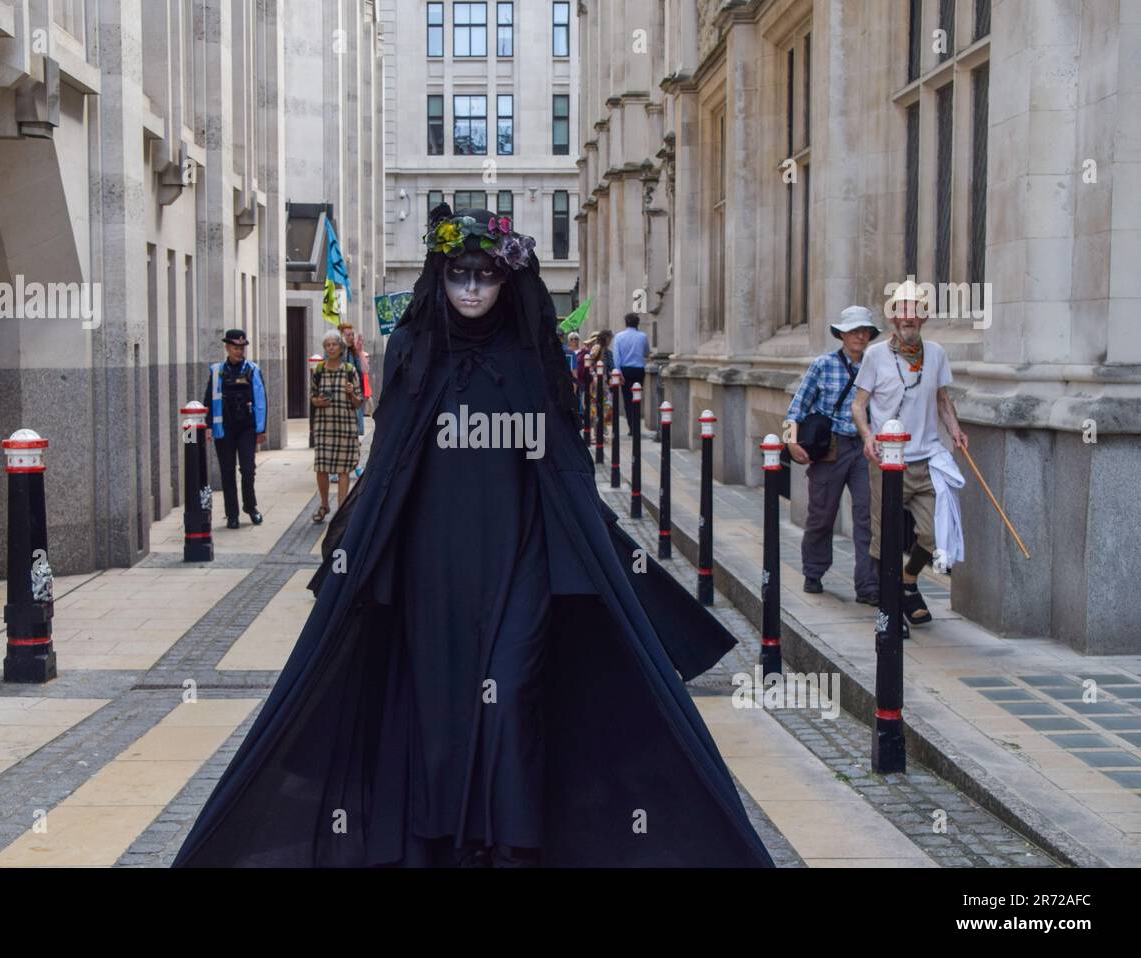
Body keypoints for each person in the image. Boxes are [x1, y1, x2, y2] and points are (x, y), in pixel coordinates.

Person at [172, 204, 774, 868]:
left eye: (485, 277)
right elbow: (394, 454)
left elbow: (563, 456)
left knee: (511, 693)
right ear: (441, 274)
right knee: (442, 701)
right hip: (434, 562)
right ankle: (444, 844)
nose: (470, 291)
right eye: (458, 276)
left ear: (506, 279)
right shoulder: (414, 349)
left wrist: (592, 546)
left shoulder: (529, 352)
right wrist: (361, 544)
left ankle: (513, 842)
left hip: (523, 553)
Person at [851, 279, 969, 628]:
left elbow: (942, 400)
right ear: (893, 318)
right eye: (902, 311)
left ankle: (908, 579)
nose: (908, 318)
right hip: (887, 460)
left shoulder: (936, 354)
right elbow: (860, 405)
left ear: (924, 316)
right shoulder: (874, 355)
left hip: (927, 457)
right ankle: (889, 607)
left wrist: (956, 430)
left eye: (915, 311)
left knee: (935, 535)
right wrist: (868, 436)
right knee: (883, 536)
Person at [784, 306, 881, 604]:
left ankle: (868, 586)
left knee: (867, 517)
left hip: (864, 448)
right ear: (842, 334)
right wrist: (790, 442)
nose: (860, 336)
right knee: (822, 514)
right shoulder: (822, 365)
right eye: (854, 331)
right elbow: (796, 407)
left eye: (864, 331)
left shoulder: (876, 365)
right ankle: (813, 571)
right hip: (831, 448)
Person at [203, 329, 266, 529]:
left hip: (246, 428)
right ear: (227, 348)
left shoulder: (253, 370)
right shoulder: (217, 372)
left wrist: (261, 429)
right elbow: (208, 400)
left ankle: (251, 506)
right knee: (227, 472)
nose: (239, 351)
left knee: (248, 469)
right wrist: (208, 425)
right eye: (235, 348)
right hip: (225, 429)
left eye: (241, 348)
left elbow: (261, 400)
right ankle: (232, 515)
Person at [309, 329, 361, 523]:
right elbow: (312, 397)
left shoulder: (349, 370)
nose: (331, 348)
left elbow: (358, 403)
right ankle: (324, 505)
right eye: (327, 345)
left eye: (334, 344)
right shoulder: (319, 371)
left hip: (345, 426)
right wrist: (318, 402)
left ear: (341, 348)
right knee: (321, 468)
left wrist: (351, 393)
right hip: (324, 426)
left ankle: (341, 511)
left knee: (343, 470)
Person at [612, 312, 650, 433]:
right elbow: (646, 353)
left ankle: (631, 426)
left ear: (626, 323)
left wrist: (618, 373)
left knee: (627, 399)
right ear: (637, 323)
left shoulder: (619, 336)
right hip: (639, 370)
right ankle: (636, 424)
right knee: (637, 397)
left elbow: (616, 357)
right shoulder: (643, 336)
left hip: (625, 370)